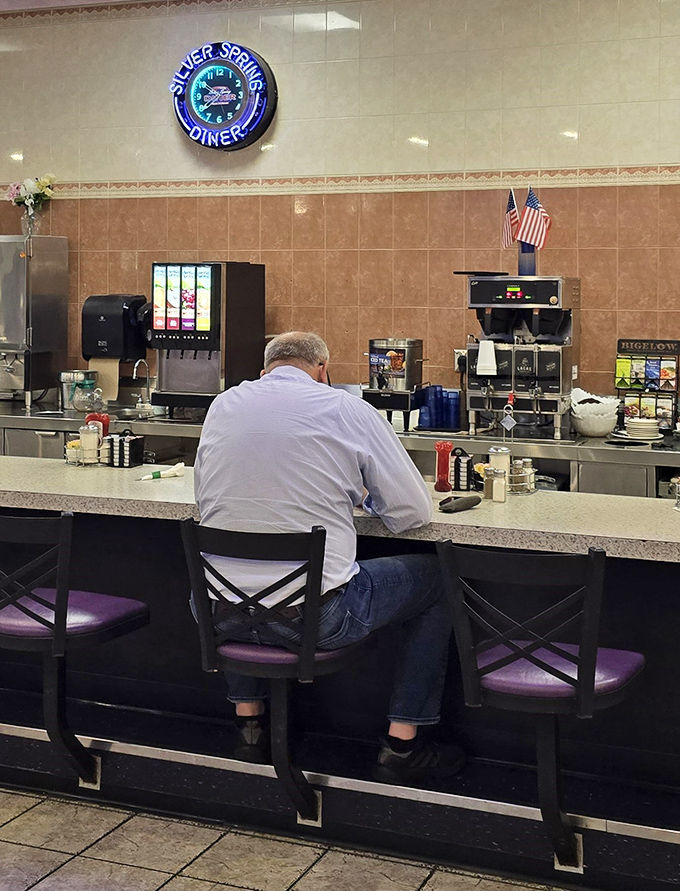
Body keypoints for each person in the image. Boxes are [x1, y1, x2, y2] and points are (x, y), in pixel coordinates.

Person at [194, 331, 464, 783]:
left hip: (215, 614)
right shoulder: (346, 408)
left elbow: (206, 497)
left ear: (264, 372)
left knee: (238, 580)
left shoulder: (224, 404)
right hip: (315, 621)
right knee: (438, 577)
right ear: (323, 371)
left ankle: (249, 726)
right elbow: (412, 513)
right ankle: (403, 743)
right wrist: (363, 497)